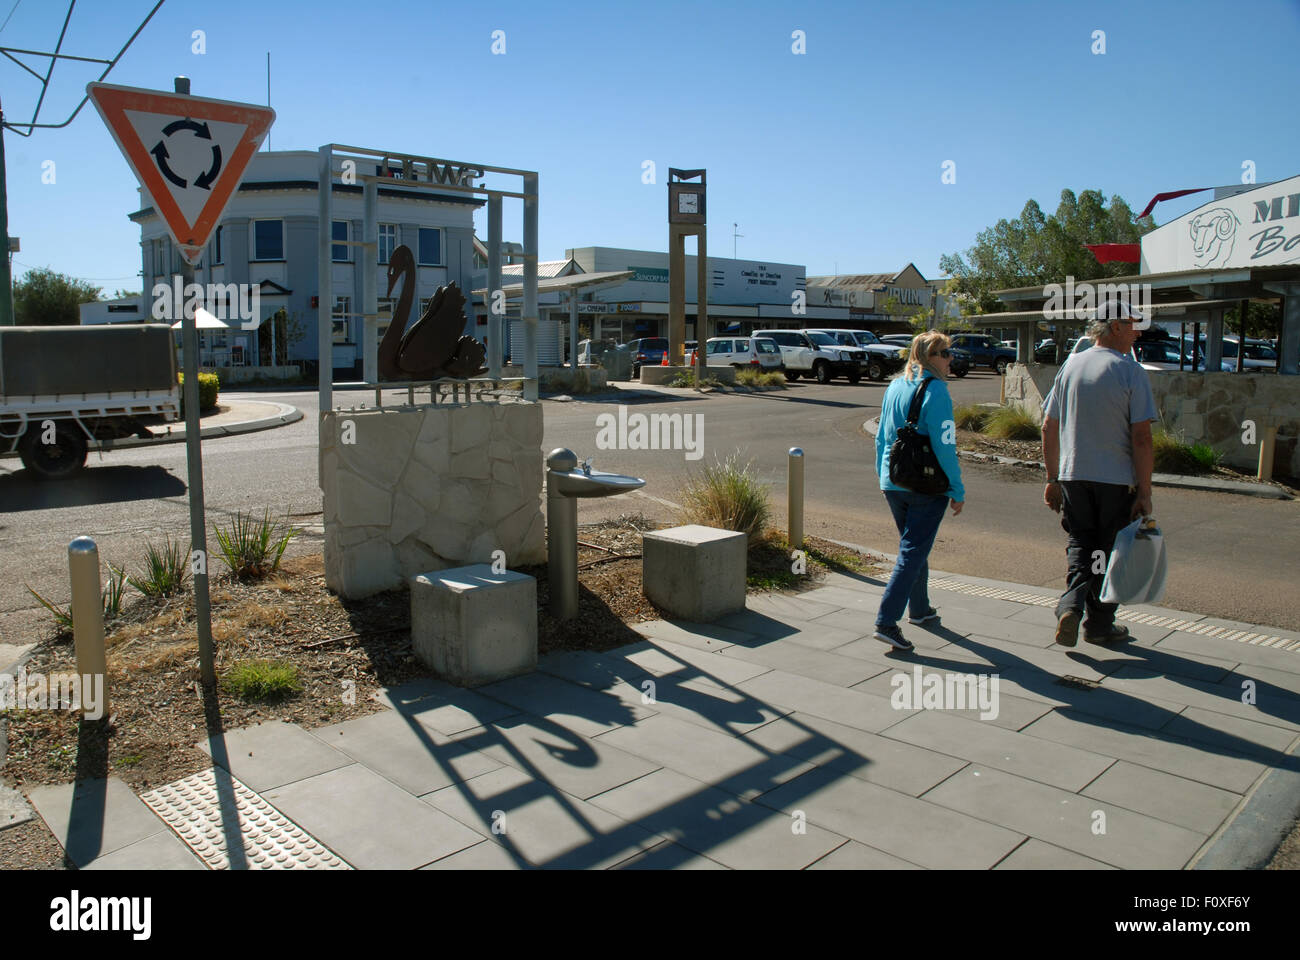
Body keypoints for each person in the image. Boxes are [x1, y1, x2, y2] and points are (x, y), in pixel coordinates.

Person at [1041, 298, 1156, 647]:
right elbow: (1142, 437)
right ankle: (1099, 623)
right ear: (1115, 327)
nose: (1137, 330)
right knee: (1106, 550)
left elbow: (1048, 426)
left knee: (1082, 542)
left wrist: (1051, 479)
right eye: (1133, 323)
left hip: (1074, 475)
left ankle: (1072, 606)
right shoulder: (1130, 371)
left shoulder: (1071, 366)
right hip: (1115, 480)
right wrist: (1146, 491)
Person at [873, 331, 965, 651]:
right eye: (945, 353)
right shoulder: (936, 390)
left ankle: (920, 609)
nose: (951, 359)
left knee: (914, 547)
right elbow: (945, 444)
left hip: (894, 480)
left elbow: (882, 437)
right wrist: (957, 487)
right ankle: (886, 621)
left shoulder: (895, 385)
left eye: (950, 353)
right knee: (912, 551)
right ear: (929, 357)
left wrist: (881, 474)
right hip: (926, 485)